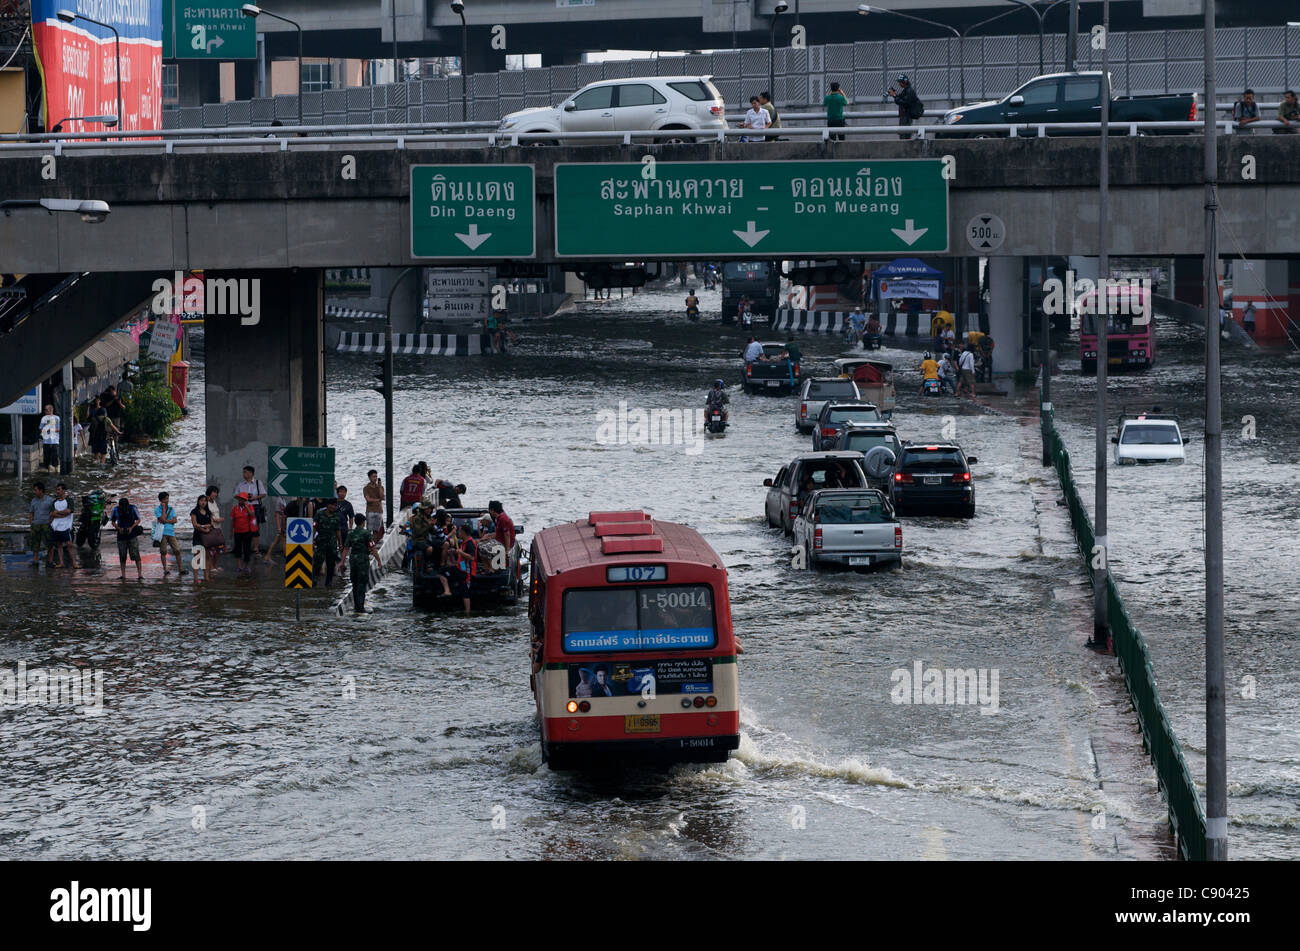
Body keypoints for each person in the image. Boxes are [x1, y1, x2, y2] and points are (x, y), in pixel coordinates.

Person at [347, 513, 379, 614]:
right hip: (363, 560)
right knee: (362, 583)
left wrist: (342, 562)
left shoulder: (351, 533)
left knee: (355, 583)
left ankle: (356, 606)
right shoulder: (366, 534)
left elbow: (346, 549)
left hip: (353, 560)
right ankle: (360, 608)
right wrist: (379, 561)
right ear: (362, 522)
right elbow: (373, 548)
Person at [111, 494, 143, 579]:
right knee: (122, 556)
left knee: (136, 555)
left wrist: (131, 528)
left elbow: (138, 519)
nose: (124, 508)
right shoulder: (116, 510)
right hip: (122, 536)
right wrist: (119, 528)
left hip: (132, 535)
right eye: (122, 507)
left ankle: (139, 575)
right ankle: (124, 575)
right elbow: (113, 522)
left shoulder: (133, 508)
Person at [152, 491, 184, 577]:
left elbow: (175, 520)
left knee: (177, 550)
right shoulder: (157, 509)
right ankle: (165, 569)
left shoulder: (171, 509)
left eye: (167, 498)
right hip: (162, 533)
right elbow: (162, 519)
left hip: (171, 532)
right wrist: (163, 509)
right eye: (165, 499)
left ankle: (181, 569)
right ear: (161, 500)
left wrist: (166, 521)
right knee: (163, 551)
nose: (167, 500)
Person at [230, 492, 259, 576]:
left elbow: (252, 515)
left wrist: (247, 506)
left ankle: (246, 566)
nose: (241, 500)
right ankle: (239, 566)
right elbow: (233, 520)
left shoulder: (250, 507)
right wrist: (231, 531)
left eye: (243, 499)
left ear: (246, 500)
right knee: (238, 549)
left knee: (247, 549)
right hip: (237, 532)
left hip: (247, 532)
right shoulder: (235, 508)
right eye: (240, 499)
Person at [314, 497, 342, 587]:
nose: (333, 507)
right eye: (332, 505)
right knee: (318, 561)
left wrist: (340, 543)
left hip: (332, 543)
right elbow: (314, 526)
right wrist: (312, 539)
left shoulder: (336, 516)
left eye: (335, 505)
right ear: (327, 505)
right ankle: (314, 579)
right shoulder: (319, 514)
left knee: (331, 563)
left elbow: (338, 530)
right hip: (321, 541)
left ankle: (329, 582)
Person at [48, 484, 77, 569]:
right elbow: (52, 513)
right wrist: (62, 515)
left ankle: (74, 563)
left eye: (59, 489)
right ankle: (61, 562)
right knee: (59, 544)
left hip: (66, 526)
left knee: (69, 544)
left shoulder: (69, 500)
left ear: (64, 490)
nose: (57, 491)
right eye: (57, 490)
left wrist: (57, 512)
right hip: (56, 526)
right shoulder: (54, 502)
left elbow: (69, 511)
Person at [28, 481, 54, 568]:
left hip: (46, 525)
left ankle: (50, 562)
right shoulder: (33, 500)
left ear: (41, 490)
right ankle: (35, 562)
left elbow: (53, 513)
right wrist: (31, 523)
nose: (34, 492)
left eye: (36, 490)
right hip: (35, 525)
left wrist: (50, 523)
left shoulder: (50, 500)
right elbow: (31, 513)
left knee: (49, 544)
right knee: (35, 545)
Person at [362, 469, 384, 543]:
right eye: (373, 476)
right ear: (369, 477)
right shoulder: (366, 488)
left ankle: (374, 544)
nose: (375, 478)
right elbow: (368, 499)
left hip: (379, 510)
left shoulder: (380, 487)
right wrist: (378, 500)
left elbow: (382, 497)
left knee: (376, 530)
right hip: (370, 511)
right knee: (369, 530)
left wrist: (379, 487)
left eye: (376, 476)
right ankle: (368, 544)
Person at [40, 403, 60, 470]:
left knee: (55, 457)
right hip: (46, 441)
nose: (45, 411)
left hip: (54, 441)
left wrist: (50, 429)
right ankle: (47, 470)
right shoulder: (43, 418)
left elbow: (59, 429)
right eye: (45, 410)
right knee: (46, 458)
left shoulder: (57, 418)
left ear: (51, 410)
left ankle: (56, 470)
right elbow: (41, 428)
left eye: (46, 410)